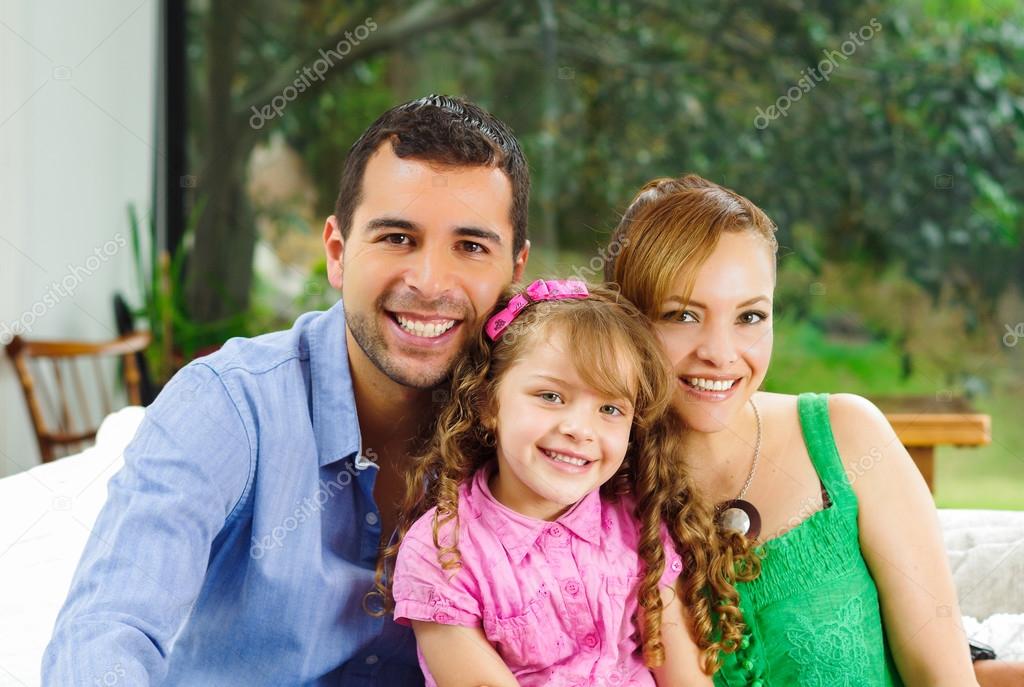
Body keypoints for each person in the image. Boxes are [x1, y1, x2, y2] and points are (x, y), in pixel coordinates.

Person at [43, 95, 531, 686]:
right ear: (337, 252)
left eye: (471, 247)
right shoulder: (228, 405)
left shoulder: (541, 429)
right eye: (397, 237)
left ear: (515, 271)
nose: (429, 282)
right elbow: (108, 627)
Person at [605, 174, 1024, 686]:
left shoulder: (846, 437)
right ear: (623, 319)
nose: (720, 352)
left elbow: (945, 678)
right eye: (682, 314)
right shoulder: (595, 488)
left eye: (750, 316)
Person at [371, 280, 756, 686]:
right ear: (488, 403)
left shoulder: (638, 524)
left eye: (609, 408)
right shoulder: (442, 552)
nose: (579, 429)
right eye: (550, 396)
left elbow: (686, 679)